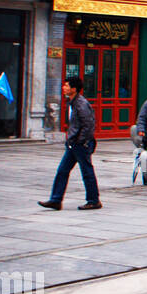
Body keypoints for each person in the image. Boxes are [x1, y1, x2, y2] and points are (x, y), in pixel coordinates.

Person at [39, 76, 100, 210]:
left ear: (74, 89)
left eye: (66, 86)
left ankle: (94, 200)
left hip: (80, 144)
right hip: (73, 143)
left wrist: (81, 140)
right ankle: (56, 200)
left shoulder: (81, 104)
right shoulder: (72, 102)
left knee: (87, 172)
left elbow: (88, 125)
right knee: (62, 171)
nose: (64, 88)